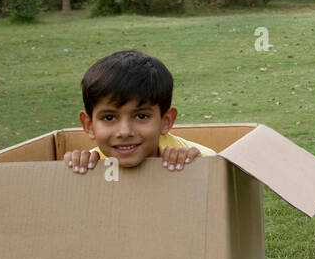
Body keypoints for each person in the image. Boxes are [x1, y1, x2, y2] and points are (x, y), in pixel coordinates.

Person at [64, 50, 216, 173]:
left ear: (166, 121)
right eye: (109, 118)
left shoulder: (202, 160)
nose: (124, 132)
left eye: (141, 116)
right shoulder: (89, 165)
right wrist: (75, 168)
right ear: (89, 125)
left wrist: (197, 169)